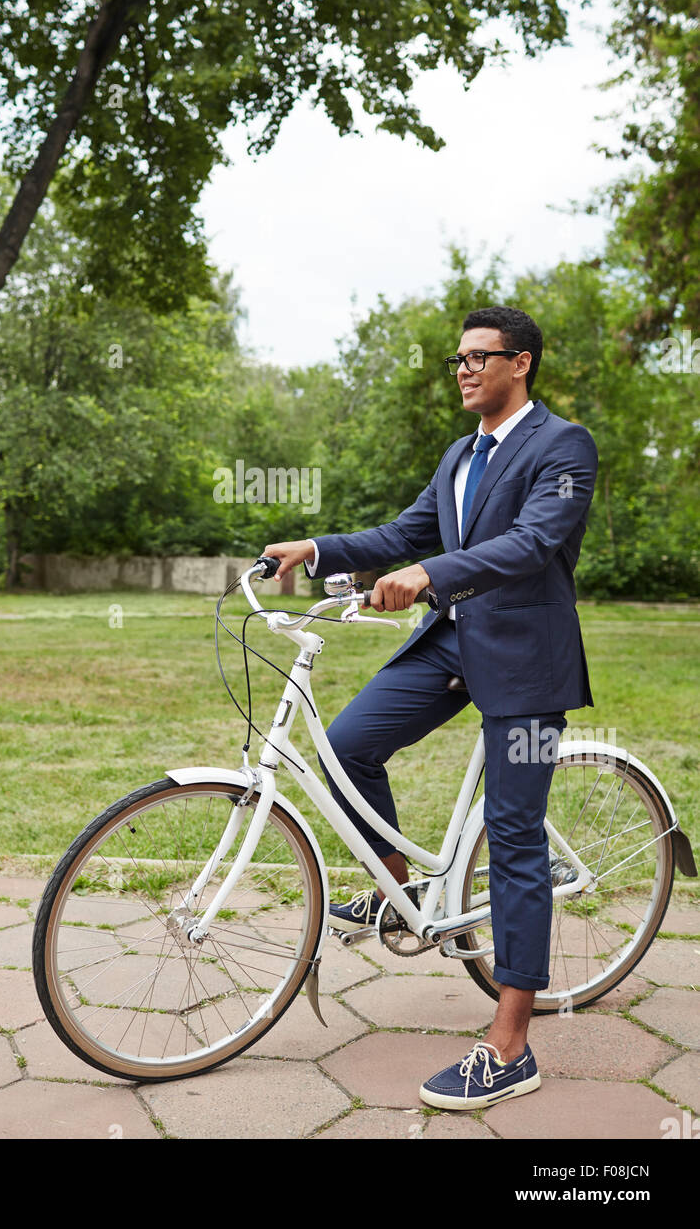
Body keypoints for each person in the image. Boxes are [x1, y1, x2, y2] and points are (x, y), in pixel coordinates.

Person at [263, 305, 598, 1110]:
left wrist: (433, 574)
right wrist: (317, 550)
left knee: (512, 835)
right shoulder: (459, 454)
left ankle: (510, 1046)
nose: (464, 369)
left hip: (525, 660)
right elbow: (403, 530)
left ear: (521, 364)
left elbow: (534, 542)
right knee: (346, 745)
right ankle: (402, 894)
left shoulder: (564, 445)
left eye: (481, 357)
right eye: (457, 359)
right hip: (453, 644)